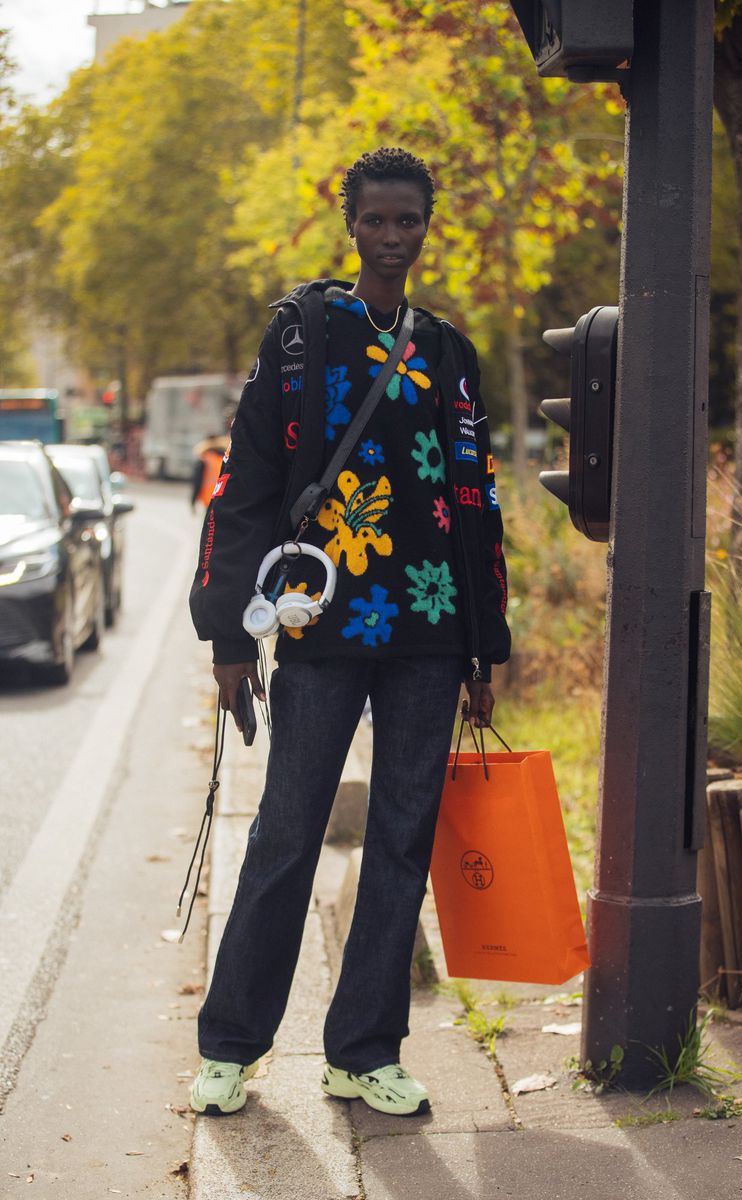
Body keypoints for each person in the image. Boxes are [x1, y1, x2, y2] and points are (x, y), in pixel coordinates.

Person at [188, 147, 511, 1118]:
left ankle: (363, 1052)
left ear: (424, 225)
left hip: (426, 633)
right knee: (286, 834)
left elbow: (473, 501)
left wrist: (482, 644)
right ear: (351, 224)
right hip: (321, 627)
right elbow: (242, 488)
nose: (391, 235)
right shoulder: (302, 334)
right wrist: (228, 639)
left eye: (407, 220)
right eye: (375, 219)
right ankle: (232, 1048)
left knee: (401, 842)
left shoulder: (449, 354)